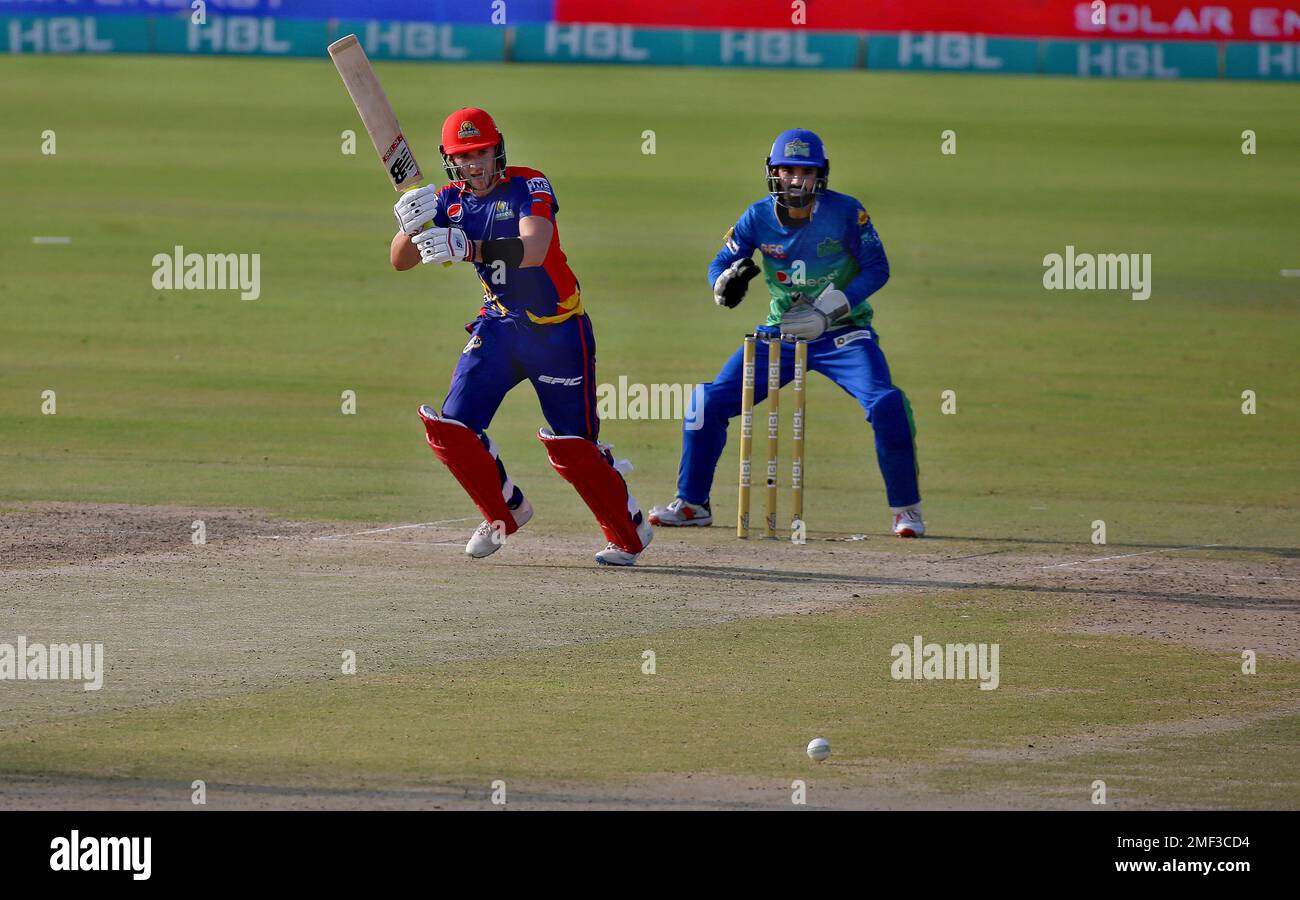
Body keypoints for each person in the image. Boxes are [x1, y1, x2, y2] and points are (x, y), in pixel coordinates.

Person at [391, 107, 653, 565]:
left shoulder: (530, 185)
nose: (475, 164)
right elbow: (401, 261)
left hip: (558, 332)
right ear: (450, 159)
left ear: (498, 149)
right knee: (451, 429)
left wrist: (467, 247)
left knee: (574, 447)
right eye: (464, 155)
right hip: (500, 326)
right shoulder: (449, 202)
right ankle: (504, 512)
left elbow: (534, 249)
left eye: (482, 152)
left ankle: (629, 533)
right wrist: (409, 225)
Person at [648, 128, 925, 537]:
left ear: (821, 175)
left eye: (806, 171)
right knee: (704, 403)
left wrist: (831, 309)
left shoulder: (847, 212)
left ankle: (906, 510)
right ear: (773, 172)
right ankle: (692, 503)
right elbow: (721, 263)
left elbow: (877, 268)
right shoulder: (757, 216)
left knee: (887, 404)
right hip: (781, 333)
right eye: (787, 170)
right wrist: (722, 283)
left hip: (843, 334)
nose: (797, 180)